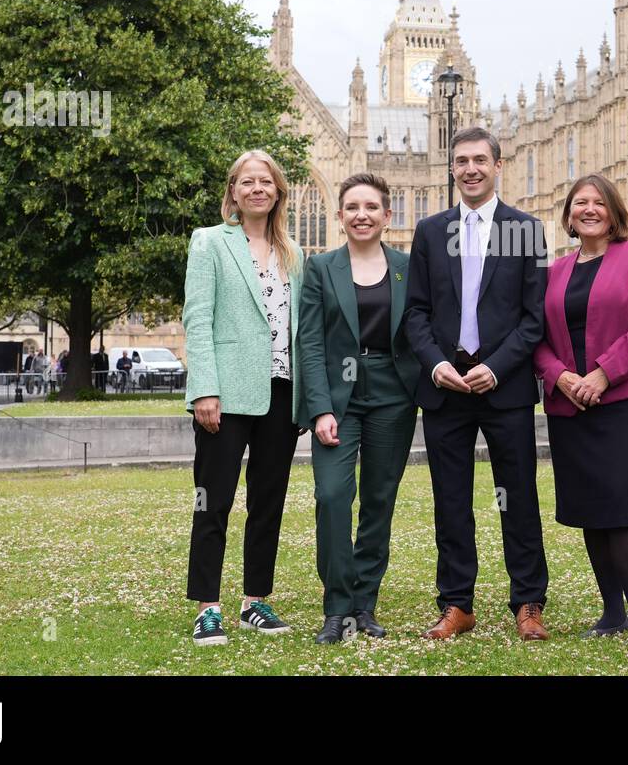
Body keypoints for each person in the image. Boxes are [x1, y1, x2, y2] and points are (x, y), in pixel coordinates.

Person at [403, 127, 550, 642]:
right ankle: (457, 604)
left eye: (479, 160)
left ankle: (528, 603)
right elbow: (416, 312)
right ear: (451, 168)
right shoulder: (430, 230)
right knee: (451, 499)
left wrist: (500, 366)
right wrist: (435, 363)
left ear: (497, 165)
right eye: (461, 161)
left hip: (502, 387)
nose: (470, 169)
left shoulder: (525, 229)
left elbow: (535, 319)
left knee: (517, 496)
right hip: (445, 386)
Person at [533, 174, 628, 650]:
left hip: (625, 400)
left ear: (613, 212)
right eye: (579, 203)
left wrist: (602, 374)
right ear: (569, 215)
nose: (588, 209)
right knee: (590, 508)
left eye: (597, 202)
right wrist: (562, 377)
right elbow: (538, 338)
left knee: (623, 506)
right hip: (570, 404)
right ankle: (611, 610)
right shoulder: (554, 272)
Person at [182, 149, 306, 647]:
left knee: (268, 501)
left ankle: (255, 601)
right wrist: (204, 389)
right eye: (247, 181)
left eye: (266, 181)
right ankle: (207, 606)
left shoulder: (293, 252)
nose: (257, 189)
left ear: (277, 191)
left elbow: (300, 329)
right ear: (233, 191)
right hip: (226, 392)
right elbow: (198, 318)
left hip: (281, 391)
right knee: (213, 500)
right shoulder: (210, 242)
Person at [298, 174, 420, 645]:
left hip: (393, 393)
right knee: (331, 496)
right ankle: (337, 605)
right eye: (352, 207)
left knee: (378, 501)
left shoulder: (408, 268)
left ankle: (364, 605)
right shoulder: (321, 268)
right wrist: (319, 408)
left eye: (371, 207)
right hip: (337, 396)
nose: (361, 215)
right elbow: (309, 341)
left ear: (387, 216)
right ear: (340, 215)